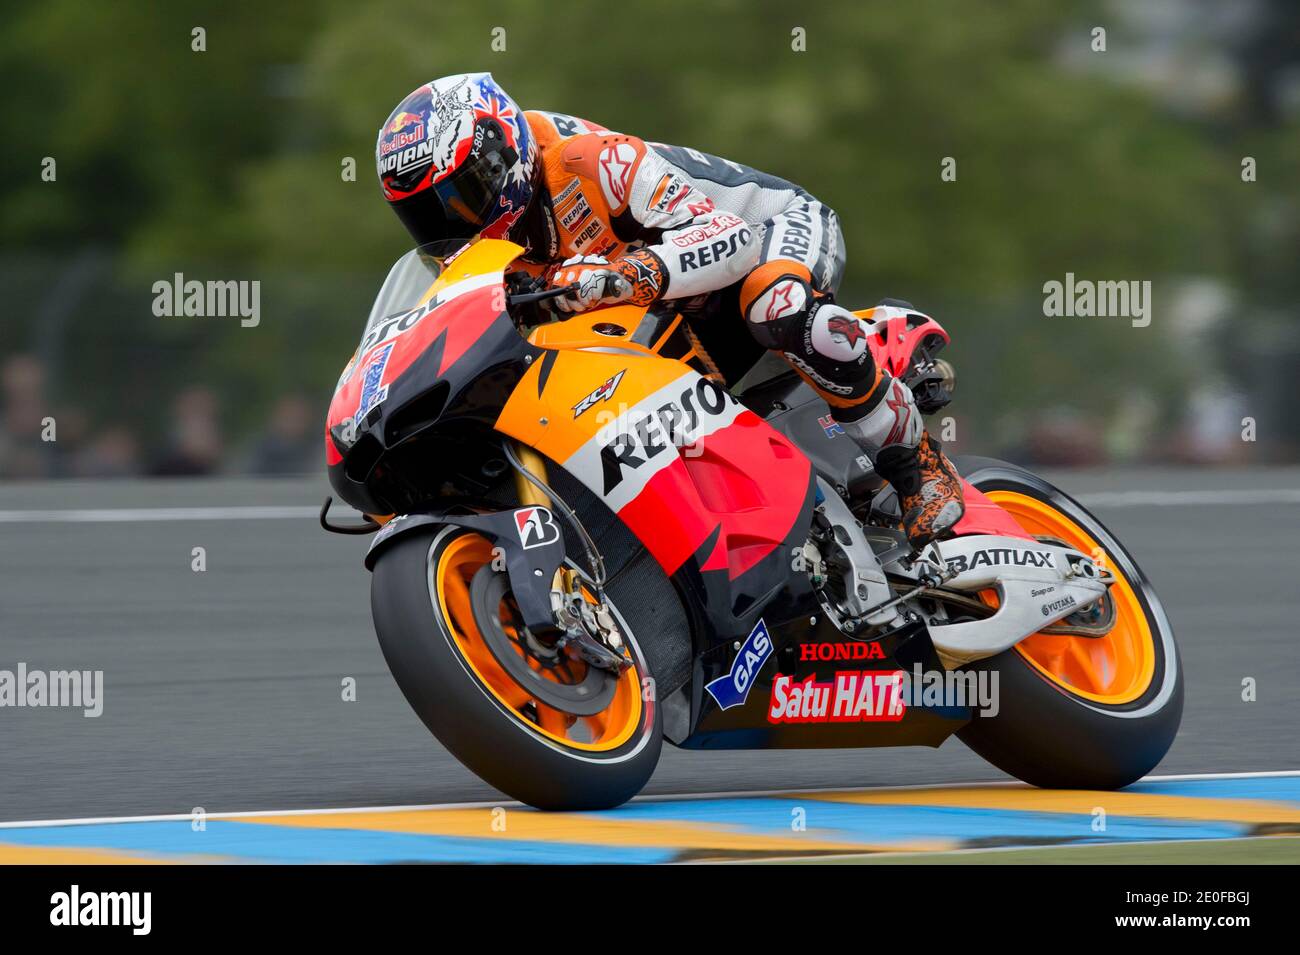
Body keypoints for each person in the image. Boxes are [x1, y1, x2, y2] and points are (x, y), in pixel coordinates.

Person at [375, 73, 964, 547]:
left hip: (774, 229)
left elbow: (730, 240)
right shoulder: (482, 259)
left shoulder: (589, 162)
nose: (453, 223)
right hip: (677, 304)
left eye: (462, 194)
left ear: (504, 151)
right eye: (427, 214)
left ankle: (919, 466)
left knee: (774, 303)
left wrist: (626, 276)